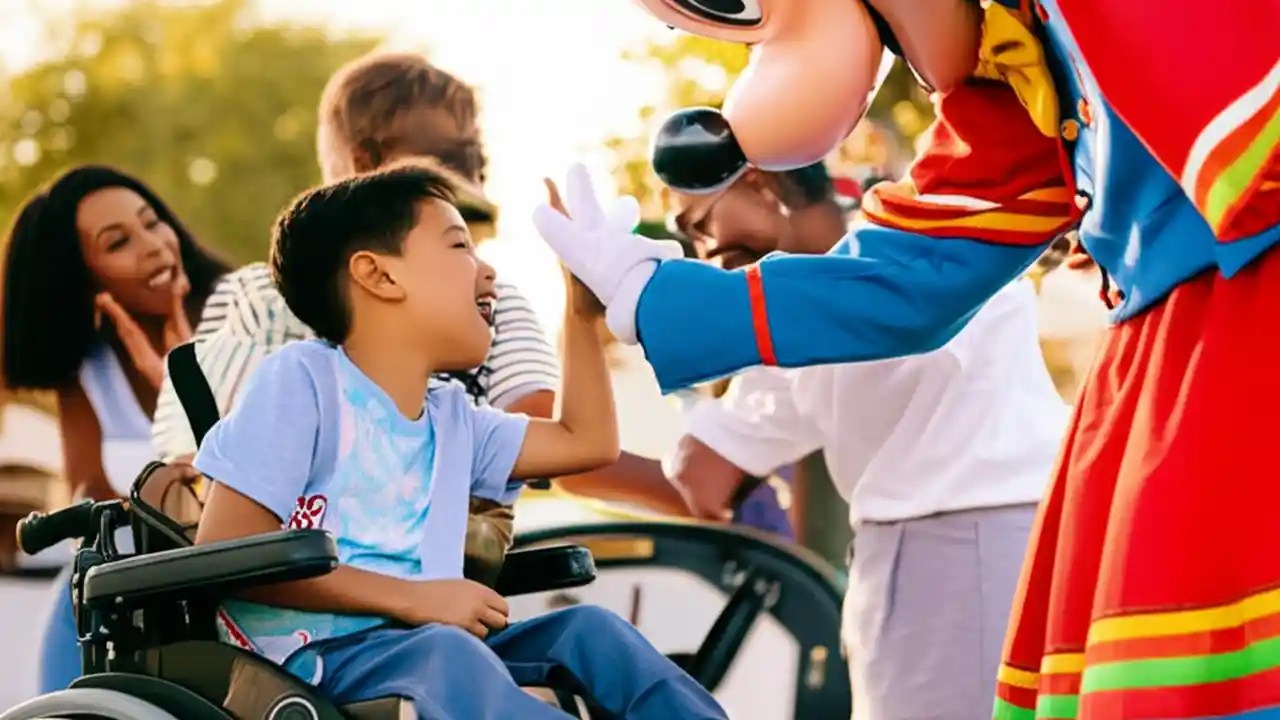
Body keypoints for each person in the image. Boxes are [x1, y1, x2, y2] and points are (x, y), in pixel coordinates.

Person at [544, 2, 1279, 717]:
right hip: (1160, 387)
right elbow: (915, 271)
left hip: (1231, 352)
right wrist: (655, 299)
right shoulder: (1024, 66)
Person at [192, 163, 726, 720]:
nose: (489, 272)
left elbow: (585, 442)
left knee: (589, 632)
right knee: (445, 653)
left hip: (430, 639)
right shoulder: (305, 382)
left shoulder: (452, 415)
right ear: (379, 276)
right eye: (459, 246)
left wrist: (580, 309)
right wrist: (417, 599)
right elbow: (228, 552)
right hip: (312, 662)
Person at [644, 163, 1064, 716]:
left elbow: (701, 476)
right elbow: (704, 475)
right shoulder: (809, 301)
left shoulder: (904, 237)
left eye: (698, 224)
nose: (702, 251)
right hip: (962, 546)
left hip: (960, 547)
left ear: (756, 182)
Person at [150, 52, 563, 579]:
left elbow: (542, 429)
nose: (475, 172)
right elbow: (198, 438)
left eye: (478, 157)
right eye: (455, 155)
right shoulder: (256, 296)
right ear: (369, 161)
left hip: (431, 553)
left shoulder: (494, 302)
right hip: (294, 549)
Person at [1, 165, 229, 692]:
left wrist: (186, 377)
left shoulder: (236, 313)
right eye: (119, 242)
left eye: (154, 223)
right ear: (84, 275)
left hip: (231, 555)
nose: (154, 247)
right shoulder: (90, 366)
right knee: (80, 590)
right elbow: (86, 490)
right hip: (140, 566)